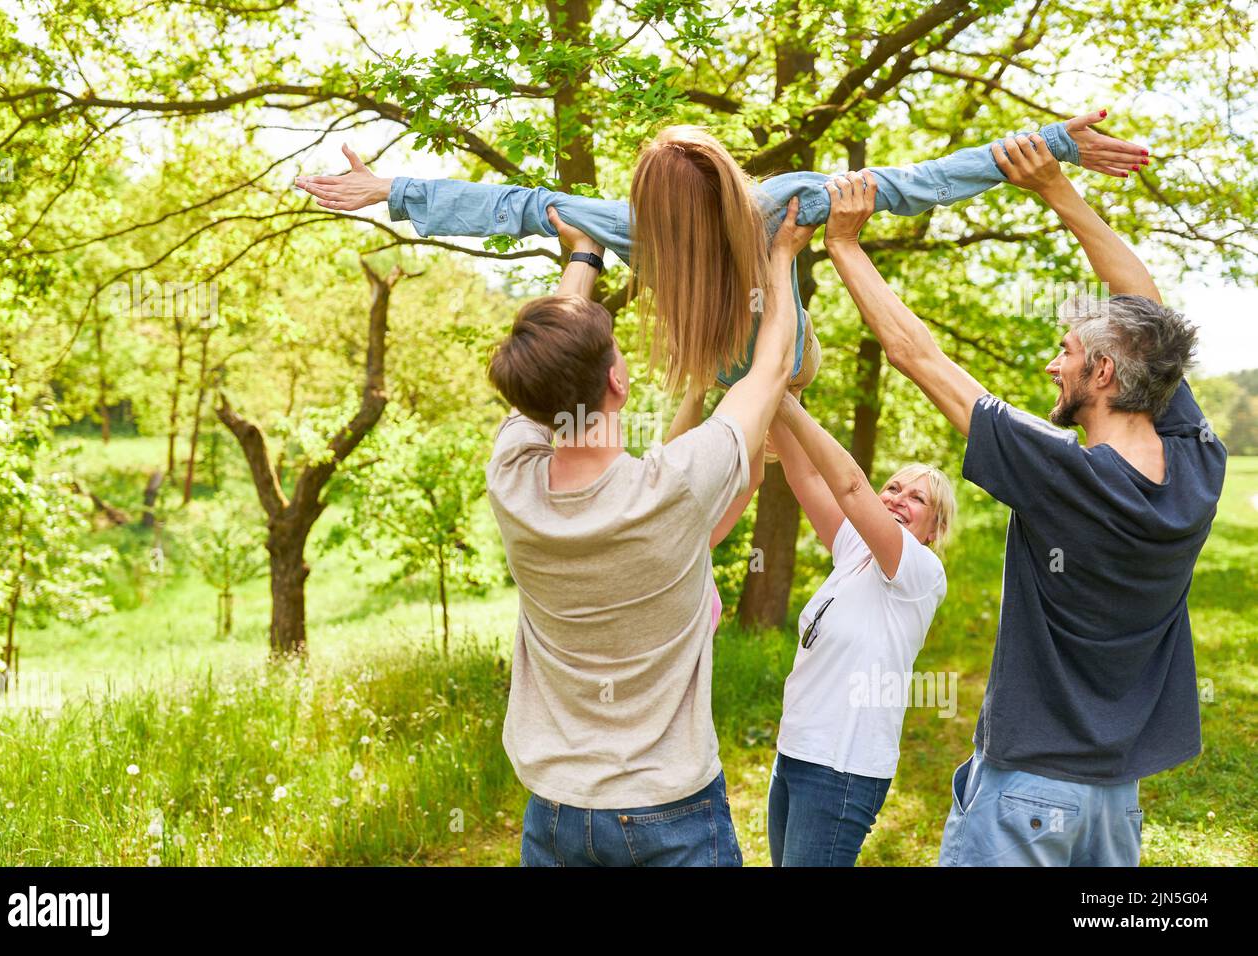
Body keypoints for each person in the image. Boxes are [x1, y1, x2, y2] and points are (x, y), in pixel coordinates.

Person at [818, 137, 1226, 866]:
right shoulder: (1197, 463)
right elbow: (1147, 316)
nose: (1052, 363)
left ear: (1102, 371)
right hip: (1115, 803)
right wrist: (1056, 190)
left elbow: (920, 358)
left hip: (1027, 795)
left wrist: (845, 245)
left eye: (1065, 350)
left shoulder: (1061, 477)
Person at [294, 112, 1147, 395]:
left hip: (781, 355)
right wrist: (393, 193)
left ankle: (765, 417)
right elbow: (512, 205)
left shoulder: (776, 202)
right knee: (722, 427)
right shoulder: (649, 219)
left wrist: (1048, 145)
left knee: (770, 398)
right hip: (715, 357)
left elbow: (921, 179)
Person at [480, 196, 818, 866]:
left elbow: (545, 374)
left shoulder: (511, 480)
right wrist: (781, 259)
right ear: (618, 380)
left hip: (553, 811)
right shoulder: (674, 487)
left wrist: (583, 255)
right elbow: (772, 366)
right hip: (668, 813)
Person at [762, 394, 954, 866]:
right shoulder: (855, 552)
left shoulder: (918, 570)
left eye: (917, 498)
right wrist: (770, 385)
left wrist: (788, 406)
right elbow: (804, 475)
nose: (897, 499)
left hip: (840, 771)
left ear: (933, 528)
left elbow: (850, 487)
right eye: (892, 488)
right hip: (795, 754)